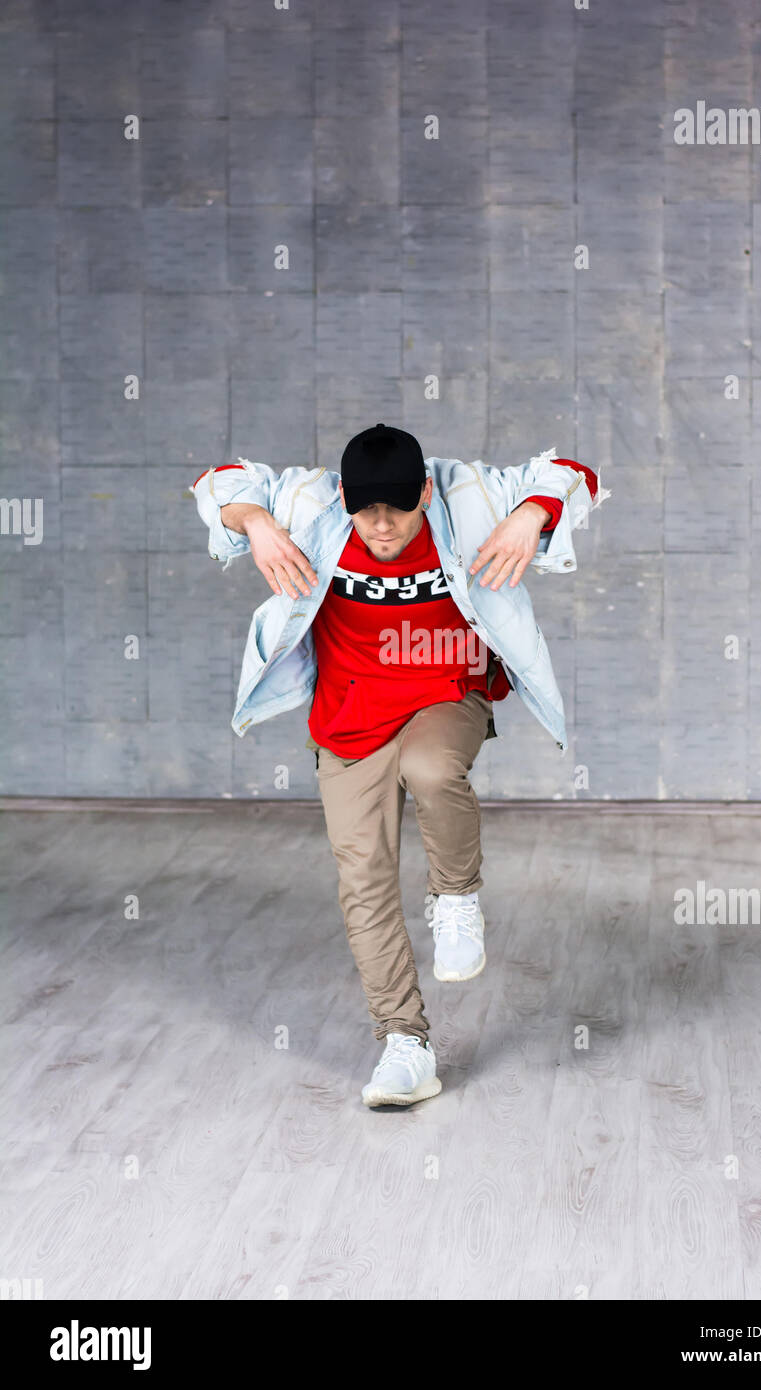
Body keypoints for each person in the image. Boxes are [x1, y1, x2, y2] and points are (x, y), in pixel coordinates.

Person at [190, 425, 608, 1107]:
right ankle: (405, 1044)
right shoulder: (313, 502)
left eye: (396, 508)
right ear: (346, 497)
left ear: (423, 491)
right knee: (363, 880)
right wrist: (256, 523)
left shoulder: (469, 498)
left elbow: (573, 472)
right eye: (366, 508)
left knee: (433, 768)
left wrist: (532, 514)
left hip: (445, 688)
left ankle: (456, 897)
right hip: (349, 712)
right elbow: (219, 482)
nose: (381, 526)